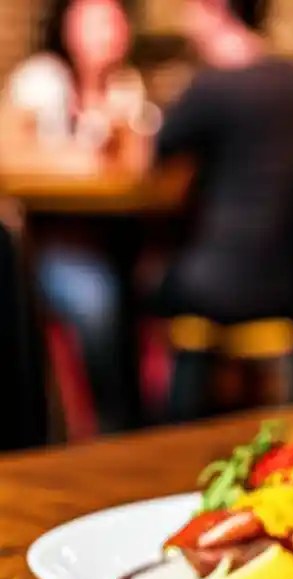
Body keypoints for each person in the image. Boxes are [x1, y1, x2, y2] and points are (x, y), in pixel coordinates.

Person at [155, 0, 293, 418]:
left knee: (148, 284)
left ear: (213, 9)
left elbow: (156, 152)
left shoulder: (211, 87)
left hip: (220, 284)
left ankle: (158, 430)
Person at [0, 0, 149, 434]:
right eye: (98, 19)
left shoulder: (125, 87)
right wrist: (82, 160)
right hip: (46, 244)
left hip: (113, 237)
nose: (112, 30)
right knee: (96, 298)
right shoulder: (41, 80)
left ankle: (143, 422)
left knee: (154, 289)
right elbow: (8, 155)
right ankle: (107, 426)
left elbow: (138, 164)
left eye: (116, 19)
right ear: (68, 27)